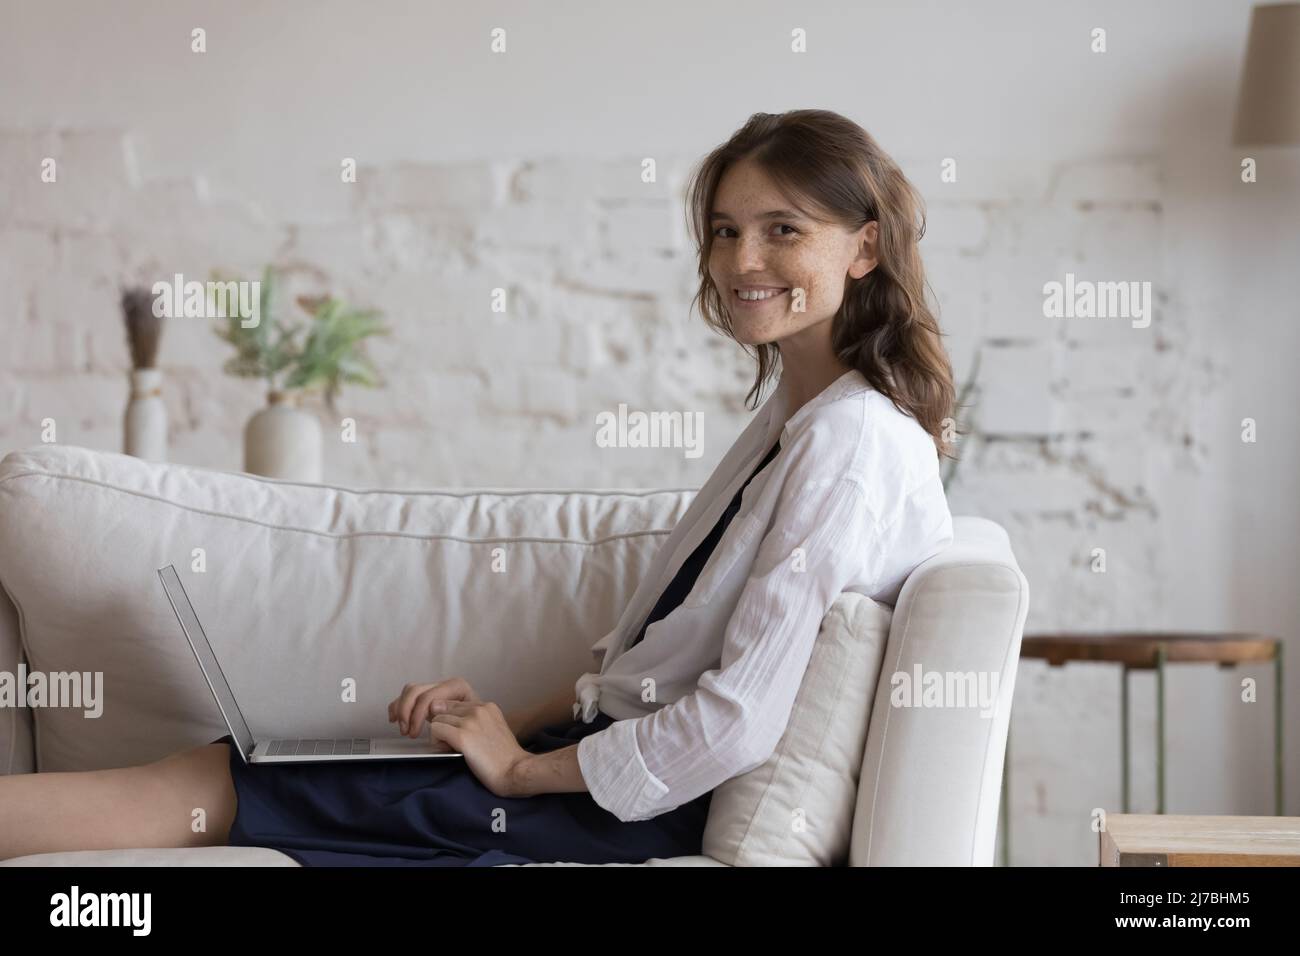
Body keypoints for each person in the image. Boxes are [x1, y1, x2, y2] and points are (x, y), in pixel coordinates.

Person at [0, 108, 957, 866]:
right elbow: (655, 660)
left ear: (863, 248)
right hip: (598, 776)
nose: (741, 261)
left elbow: (735, 719)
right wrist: (503, 716)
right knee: (240, 767)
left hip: (628, 812)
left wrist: (525, 770)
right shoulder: (801, 424)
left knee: (215, 787)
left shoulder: (853, 444)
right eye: (724, 231)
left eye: (781, 230)